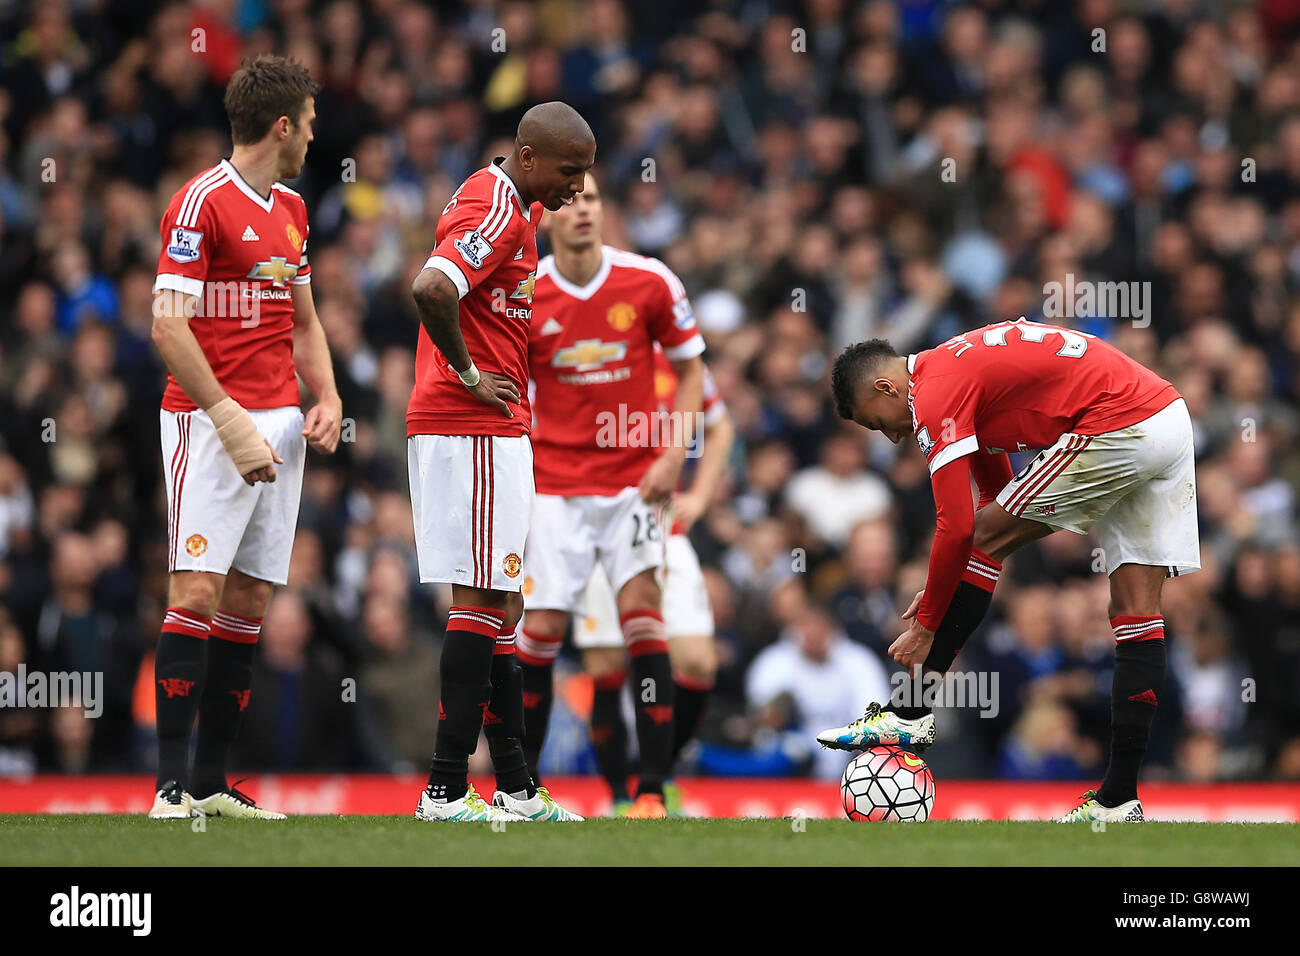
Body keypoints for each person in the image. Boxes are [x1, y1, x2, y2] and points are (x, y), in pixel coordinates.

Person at [820, 319, 1200, 823]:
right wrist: (944, 585)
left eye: (877, 422)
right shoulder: (958, 372)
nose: (891, 437)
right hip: (1167, 417)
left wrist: (928, 622)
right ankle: (1119, 800)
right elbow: (991, 503)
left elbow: (959, 530)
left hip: (1118, 422)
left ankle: (911, 714)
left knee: (979, 541)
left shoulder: (932, 395)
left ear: (885, 387)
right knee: (1136, 613)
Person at [149, 55, 342, 819]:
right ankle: (167, 790)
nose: (316, 136)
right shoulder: (199, 202)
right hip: (206, 420)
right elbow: (168, 325)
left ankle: (208, 783)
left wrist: (325, 394)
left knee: (251, 598)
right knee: (196, 587)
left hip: (281, 423)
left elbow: (303, 319)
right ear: (283, 124)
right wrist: (227, 418)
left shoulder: (292, 209)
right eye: (311, 122)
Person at [407, 102, 594, 822]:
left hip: (490, 426)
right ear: (528, 155)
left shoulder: (514, 208)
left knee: (504, 603)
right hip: (471, 423)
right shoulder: (497, 207)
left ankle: (514, 786)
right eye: (570, 170)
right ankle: (446, 787)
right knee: (482, 601)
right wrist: (468, 374)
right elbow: (431, 288)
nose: (579, 187)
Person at [515, 172, 705, 818]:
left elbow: (689, 370)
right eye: (568, 202)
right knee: (538, 628)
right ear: (544, 218)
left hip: (633, 483)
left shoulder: (650, 281)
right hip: (555, 486)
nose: (582, 210)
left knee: (644, 619)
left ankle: (651, 791)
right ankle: (523, 790)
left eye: (592, 197)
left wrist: (673, 455)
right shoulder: (526, 292)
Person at [572, 343, 734, 814]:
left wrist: (701, 496)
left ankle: (657, 777)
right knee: (606, 666)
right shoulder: (592, 358)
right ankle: (625, 797)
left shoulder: (681, 366)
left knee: (698, 661)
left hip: (665, 530)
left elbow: (721, 426)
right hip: (599, 530)